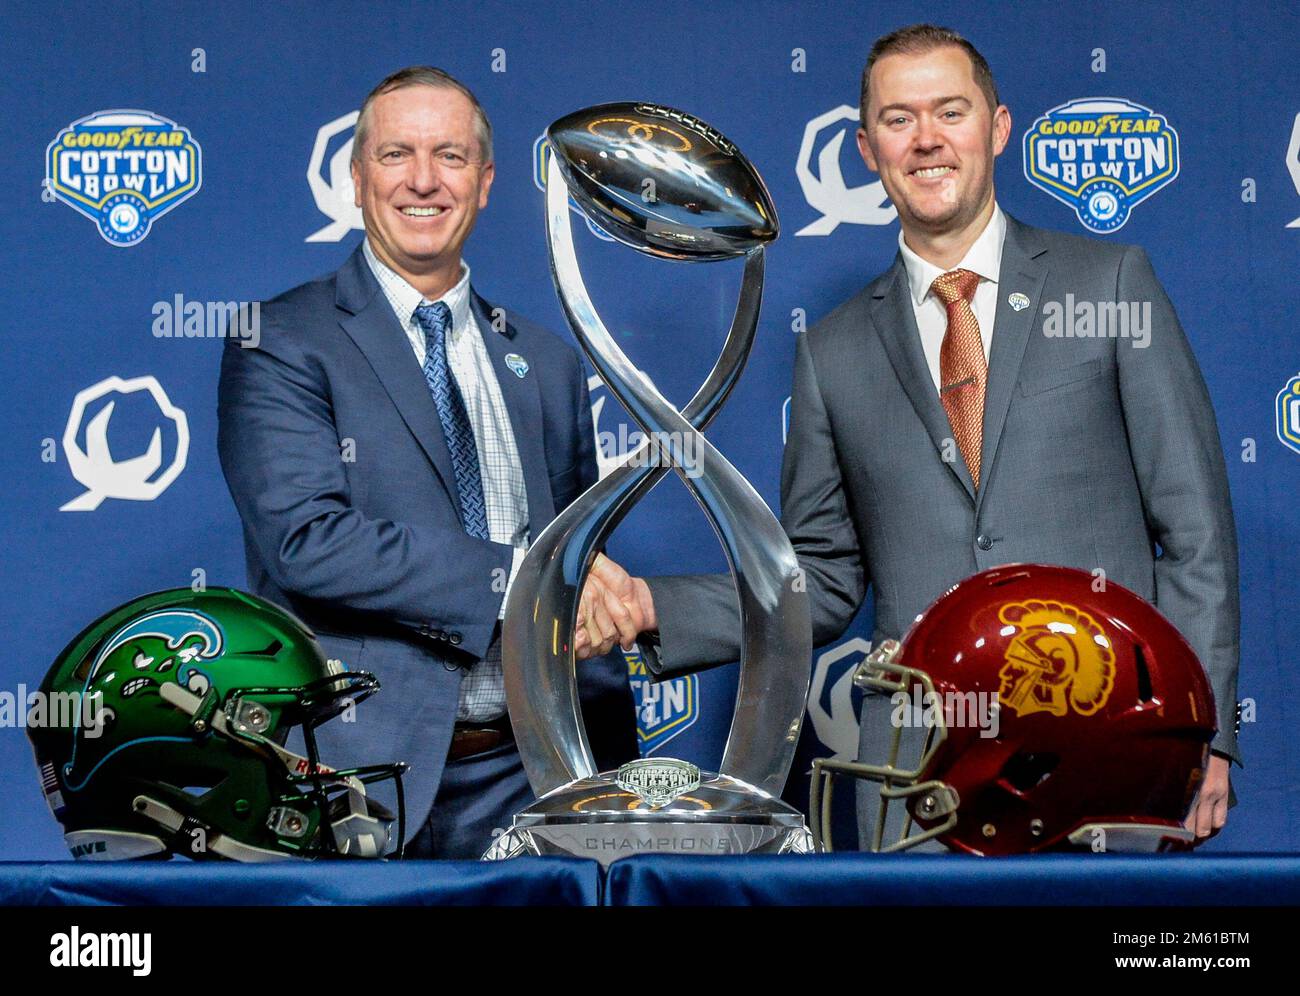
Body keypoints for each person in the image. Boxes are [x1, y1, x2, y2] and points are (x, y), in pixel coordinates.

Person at [576, 25, 1239, 845]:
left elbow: (1196, 534)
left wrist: (1200, 738)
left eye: (950, 112)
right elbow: (817, 579)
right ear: (866, 148)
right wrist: (651, 605)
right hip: (918, 775)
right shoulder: (832, 349)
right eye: (898, 119)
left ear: (997, 128)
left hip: (1106, 753)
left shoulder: (1108, 285)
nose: (927, 139)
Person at [219, 66, 635, 859]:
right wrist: (518, 574)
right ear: (355, 177)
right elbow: (308, 542)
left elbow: (580, 559)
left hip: (542, 770)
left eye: (449, 157)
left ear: (483, 183)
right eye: (395, 154)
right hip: (363, 777)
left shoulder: (543, 360)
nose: (422, 180)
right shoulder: (279, 340)